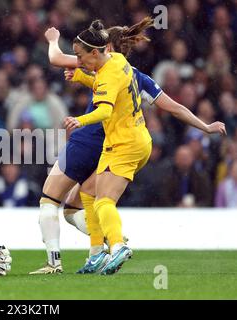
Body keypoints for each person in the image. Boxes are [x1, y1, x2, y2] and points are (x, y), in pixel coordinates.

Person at [31, 19, 226, 275]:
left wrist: (53, 40)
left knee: (56, 199)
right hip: (127, 141)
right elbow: (175, 107)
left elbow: (59, 61)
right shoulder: (131, 71)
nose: (80, 60)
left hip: (96, 140)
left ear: (103, 48)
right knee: (85, 199)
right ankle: (97, 253)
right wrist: (205, 126)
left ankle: (94, 250)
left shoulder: (102, 67)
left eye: (83, 55)